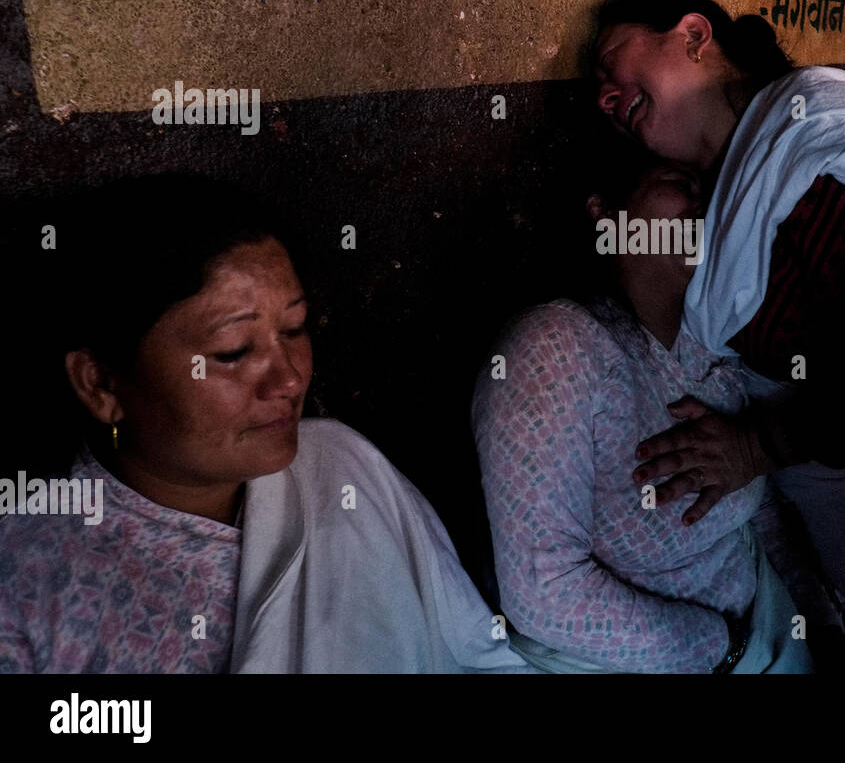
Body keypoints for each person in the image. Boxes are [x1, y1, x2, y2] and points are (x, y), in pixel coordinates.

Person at [589, 0, 845, 644]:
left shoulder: (811, 145)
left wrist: (756, 445)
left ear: (694, 34)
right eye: (599, 95)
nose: (606, 96)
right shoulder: (717, 193)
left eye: (614, 63)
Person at [0, 174, 526, 673]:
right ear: (101, 384)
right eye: (232, 352)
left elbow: (480, 655)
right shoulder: (27, 578)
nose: (291, 380)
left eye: (294, 329)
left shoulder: (342, 468)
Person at [471, 138, 813, 673]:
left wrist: (816, 618)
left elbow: (760, 511)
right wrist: (717, 648)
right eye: (680, 184)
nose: (706, 207)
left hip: (768, 637)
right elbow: (544, 591)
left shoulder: (717, 344)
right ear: (603, 210)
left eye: (716, 193)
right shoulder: (554, 348)